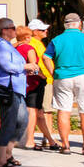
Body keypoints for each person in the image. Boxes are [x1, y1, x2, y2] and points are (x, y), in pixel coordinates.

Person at [45, 12, 84, 154]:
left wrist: (53, 73)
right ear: (80, 24)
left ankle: (65, 146)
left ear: (65, 25)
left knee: (63, 111)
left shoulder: (57, 40)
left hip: (62, 76)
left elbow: (46, 57)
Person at [0, 18, 36, 167]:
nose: (15, 30)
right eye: (12, 27)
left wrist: (25, 68)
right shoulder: (1, 45)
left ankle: (8, 153)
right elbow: (6, 65)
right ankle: (1, 160)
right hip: (8, 89)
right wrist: (25, 66)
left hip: (17, 89)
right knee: (8, 123)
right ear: (5, 30)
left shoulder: (8, 46)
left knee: (22, 121)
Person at [25, 19, 60, 151]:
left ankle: (48, 139)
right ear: (34, 32)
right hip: (43, 81)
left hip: (46, 80)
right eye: (42, 30)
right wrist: (44, 76)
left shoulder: (38, 43)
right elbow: (36, 63)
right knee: (46, 111)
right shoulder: (33, 44)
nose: (46, 31)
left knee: (44, 111)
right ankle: (49, 139)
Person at [14, 23, 49, 152]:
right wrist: (42, 76)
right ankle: (30, 141)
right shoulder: (29, 48)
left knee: (35, 112)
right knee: (33, 112)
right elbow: (34, 67)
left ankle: (50, 139)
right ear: (28, 37)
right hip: (34, 83)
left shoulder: (14, 48)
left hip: (22, 83)